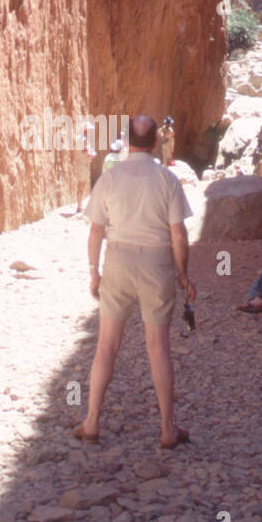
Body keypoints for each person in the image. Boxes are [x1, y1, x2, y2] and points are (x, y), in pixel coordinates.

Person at [77, 114, 196, 450]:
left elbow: (96, 230)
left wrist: (93, 271)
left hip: (118, 261)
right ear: (156, 141)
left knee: (106, 345)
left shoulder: (110, 177)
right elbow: (178, 233)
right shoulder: (167, 180)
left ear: (125, 140)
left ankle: (92, 421)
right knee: (158, 347)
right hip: (157, 264)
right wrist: (184, 274)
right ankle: (167, 429)